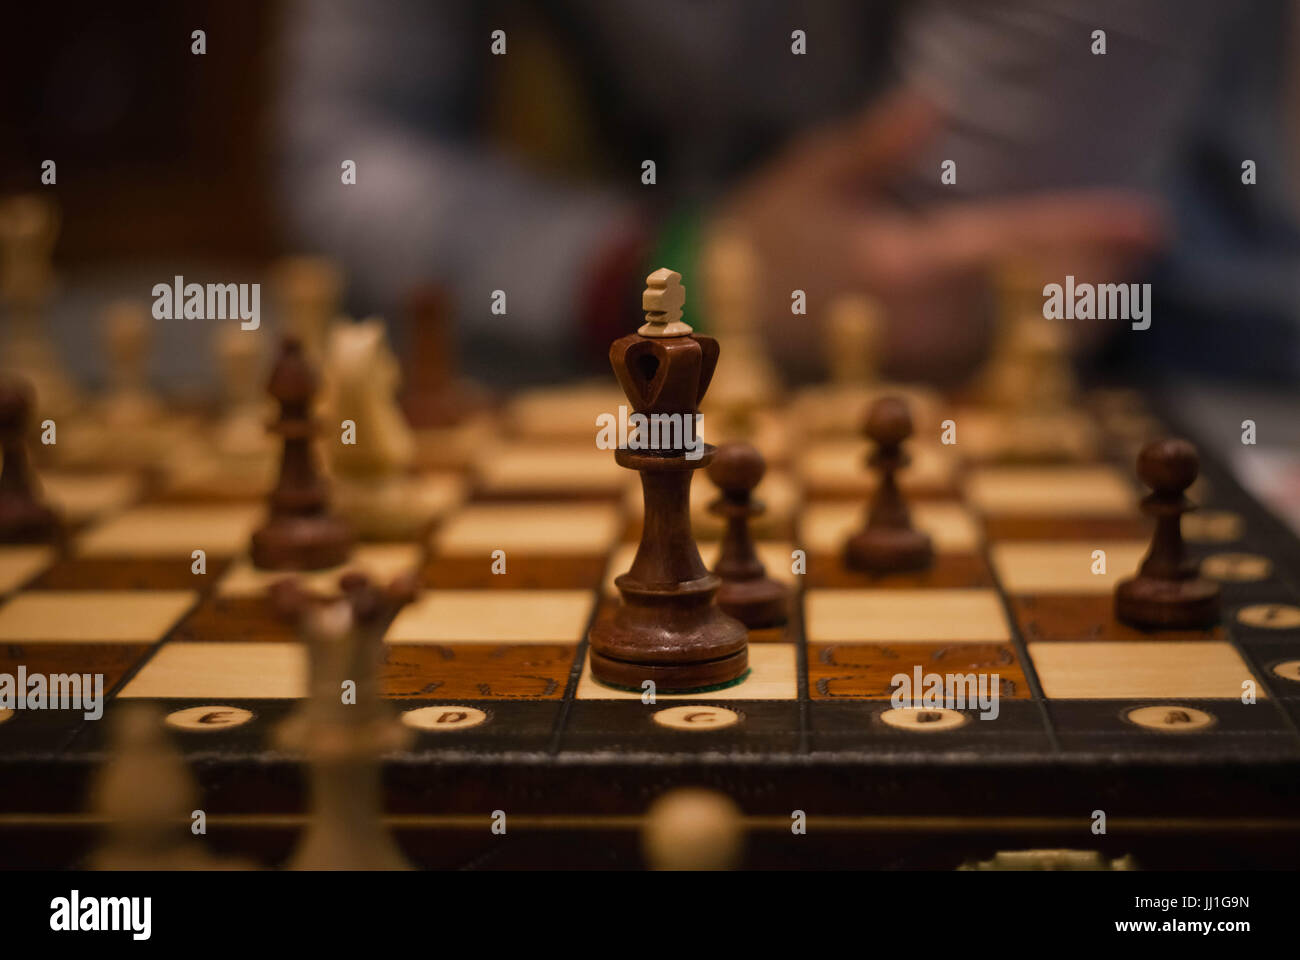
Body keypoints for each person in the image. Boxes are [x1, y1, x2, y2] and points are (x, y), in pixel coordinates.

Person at [276, 0, 1299, 386]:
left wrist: (721, 279)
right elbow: (339, 150)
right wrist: (657, 267)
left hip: (1186, 368)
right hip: (655, 357)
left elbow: (936, 284)